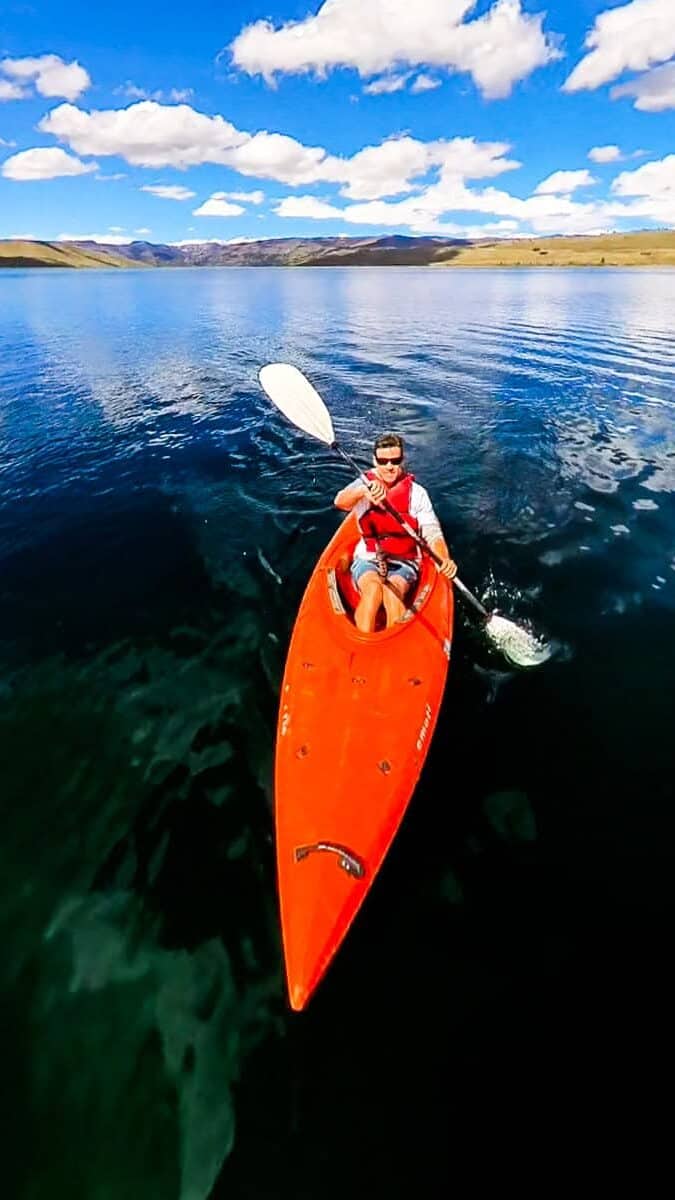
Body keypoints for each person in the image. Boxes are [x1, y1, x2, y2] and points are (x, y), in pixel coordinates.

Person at [333, 433, 457, 633]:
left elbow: (432, 533)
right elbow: (339, 501)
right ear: (375, 461)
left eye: (395, 460)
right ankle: (364, 649)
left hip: (404, 561)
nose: (389, 466)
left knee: (392, 593)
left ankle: (393, 647)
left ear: (402, 460)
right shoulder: (364, 484)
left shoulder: (417, 494)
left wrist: (444, 559)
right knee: (373, 591)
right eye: (383, 461)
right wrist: (362, 492)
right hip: (368, 557)